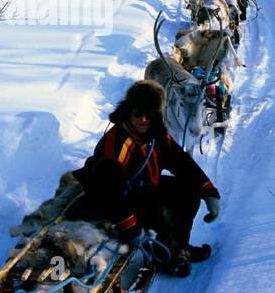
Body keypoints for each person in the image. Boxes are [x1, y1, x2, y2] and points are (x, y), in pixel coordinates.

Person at [73, 79, 220, 278]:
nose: (142, 119)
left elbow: (180, 162)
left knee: (188, 192)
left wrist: (208, 191)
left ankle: (180, 247)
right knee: (159, 212)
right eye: (137, 113)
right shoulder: (117, 144)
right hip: (111, 199)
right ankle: (168, 257)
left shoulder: (155, 134)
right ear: (128, 111)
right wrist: (130, 228)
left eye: (149, 114)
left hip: (142, 189)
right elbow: (110, 192)